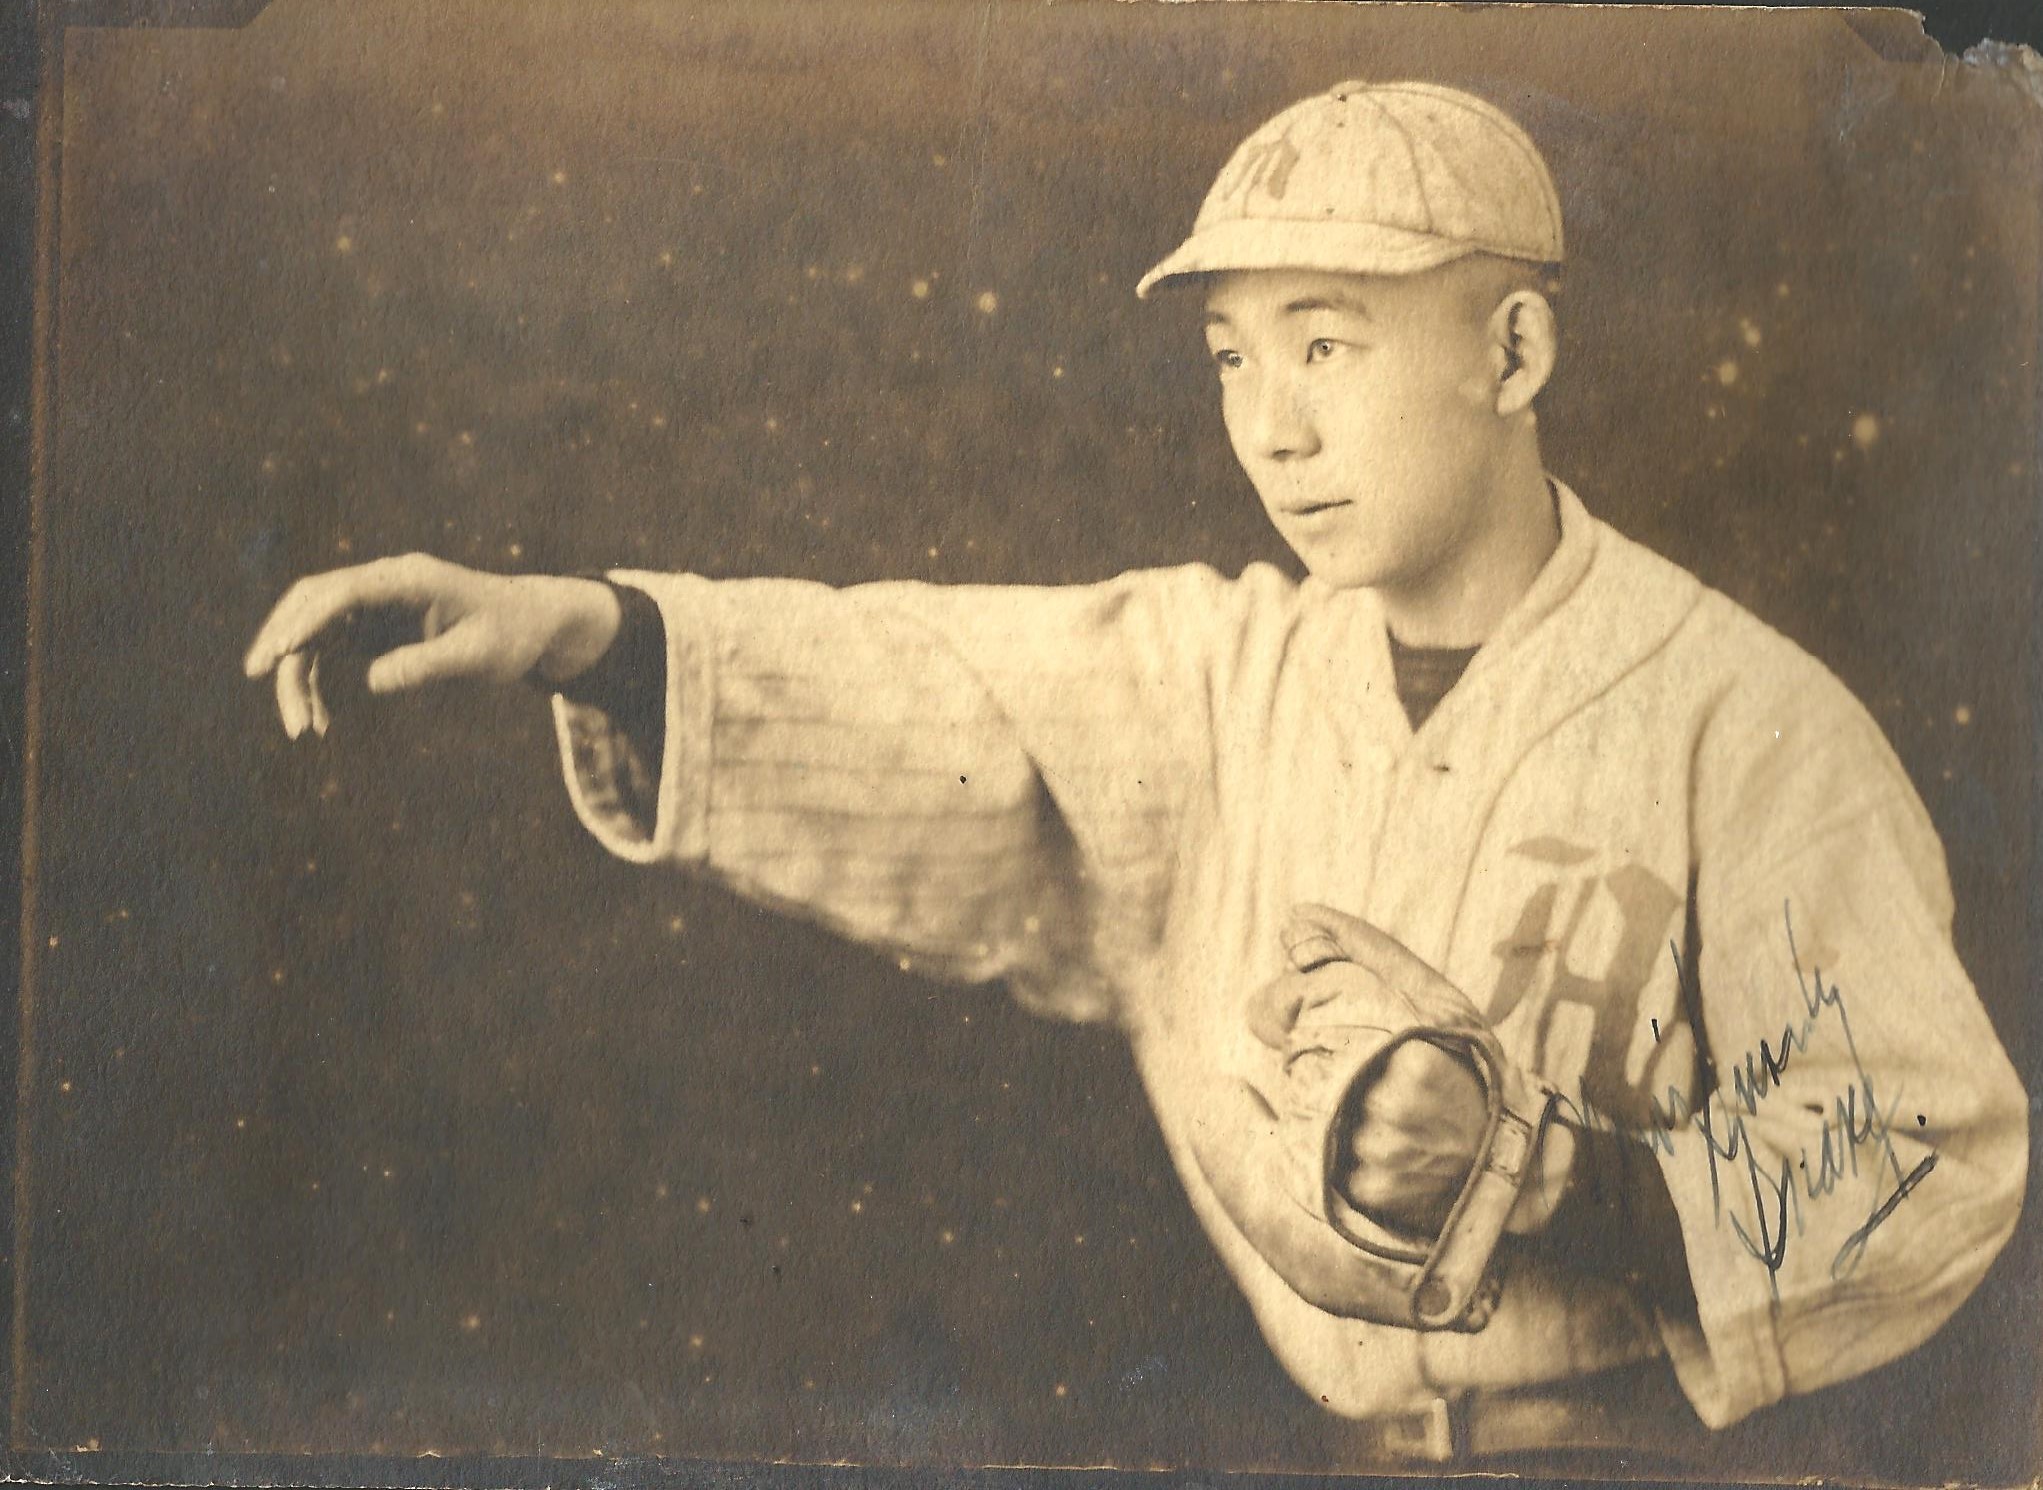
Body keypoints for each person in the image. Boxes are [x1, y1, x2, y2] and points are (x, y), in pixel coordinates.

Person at [242, 80, 2027, 1466]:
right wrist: (585, 629)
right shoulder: (1221, 679)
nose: (1272, 424)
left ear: (1513, 350)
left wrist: (1563, 1181)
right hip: (1329, 1453)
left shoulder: (1749, 721)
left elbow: (1936, 1148)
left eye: (1329, 340)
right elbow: (929, 694)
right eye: (1235, 359)